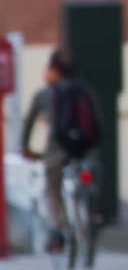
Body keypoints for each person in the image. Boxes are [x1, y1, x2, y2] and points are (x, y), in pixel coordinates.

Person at [19, 50, 102, 252]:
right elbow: (95, 122)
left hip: (59, 149)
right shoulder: (84, 91)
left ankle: (58, 230)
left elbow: (29, 123)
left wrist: (26, 148)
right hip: (85, 148)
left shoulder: (45, 94)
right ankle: (92, 208)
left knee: (52, 187)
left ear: (55, 71)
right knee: (87, 176)